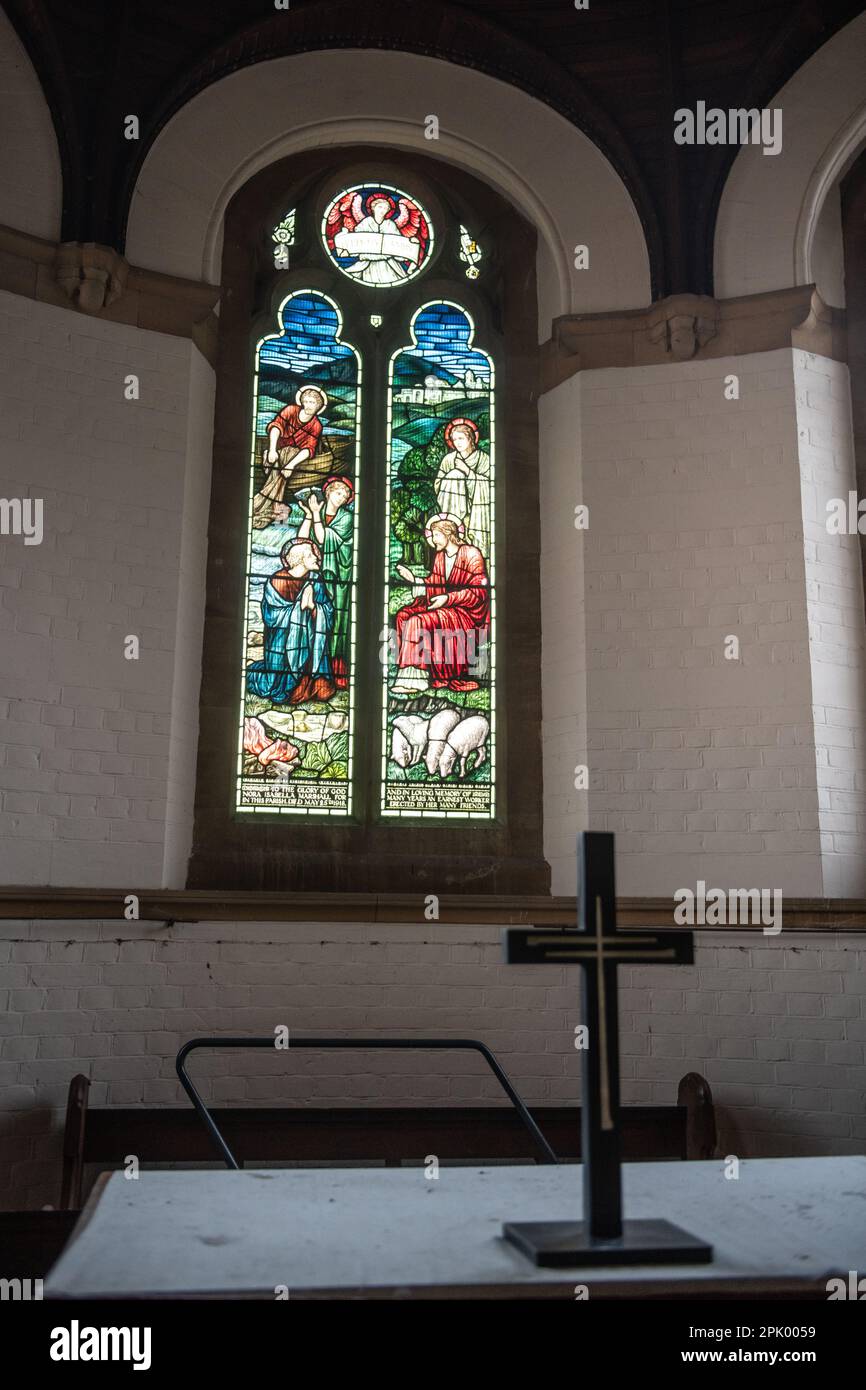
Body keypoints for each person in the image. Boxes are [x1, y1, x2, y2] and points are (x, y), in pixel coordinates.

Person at [393, 516, 489, 694]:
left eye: (436, 535)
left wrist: (448, 599)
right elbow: (434, 585)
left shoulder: (471, 554)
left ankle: (415, 680)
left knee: (417, 621)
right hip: (445, 609)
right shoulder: (440, 557)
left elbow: (479, 592)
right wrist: (415, 580)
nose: (433, 540)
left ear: (449, 534)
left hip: (466, 614)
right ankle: (408, 672)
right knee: (403, 616)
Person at [246, 540, 336, 705]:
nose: (317, 557)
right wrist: (298, 608)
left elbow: (328, 612)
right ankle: (255, 672)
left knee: (324, 690)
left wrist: (314, 608)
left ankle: (307, 677)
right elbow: (271, 616)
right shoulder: (277, 582)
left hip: (311, 650)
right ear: (300, 559)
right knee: (275, 689)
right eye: (311, 554)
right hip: (282, 649)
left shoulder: (315, 579)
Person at [297, 475, 354, 689]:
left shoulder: (346, 518)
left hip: (336, 578)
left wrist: (315, 516)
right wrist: (309, 516)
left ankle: (334, 667)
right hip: (313, 575)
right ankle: (307, 667)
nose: (342, 498)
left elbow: (324, 539)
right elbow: (302, 540)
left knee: (336, 621)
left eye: (345, 495)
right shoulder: (317, 513)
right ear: (328, 492)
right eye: (339, 493)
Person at [252, 386, 326, 530]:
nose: (310, 405)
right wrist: (273, 450)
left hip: (293, 456)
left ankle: (265, 504)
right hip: (276, 447)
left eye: (313, 403)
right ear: (302, 401)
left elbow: (308, 448)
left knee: (288, 456)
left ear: (318, 407)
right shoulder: (291, 410)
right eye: (308, 401)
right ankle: (274, 504)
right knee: (282, 457)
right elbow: (276, 427)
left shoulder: (316, 425)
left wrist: (290, 465)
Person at [434, 418, 491, 557]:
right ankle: (454, 525)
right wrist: (455, 478)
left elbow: (490, 489)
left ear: (471, 438)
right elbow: (437, 485)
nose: (457, 443)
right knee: (454, 474)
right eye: (454, 439)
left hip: (476, 509)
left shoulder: (484, 459)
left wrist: (468, 472)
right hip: (452, 506)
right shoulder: (449, 459)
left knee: (457, 473)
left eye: (461, 438)